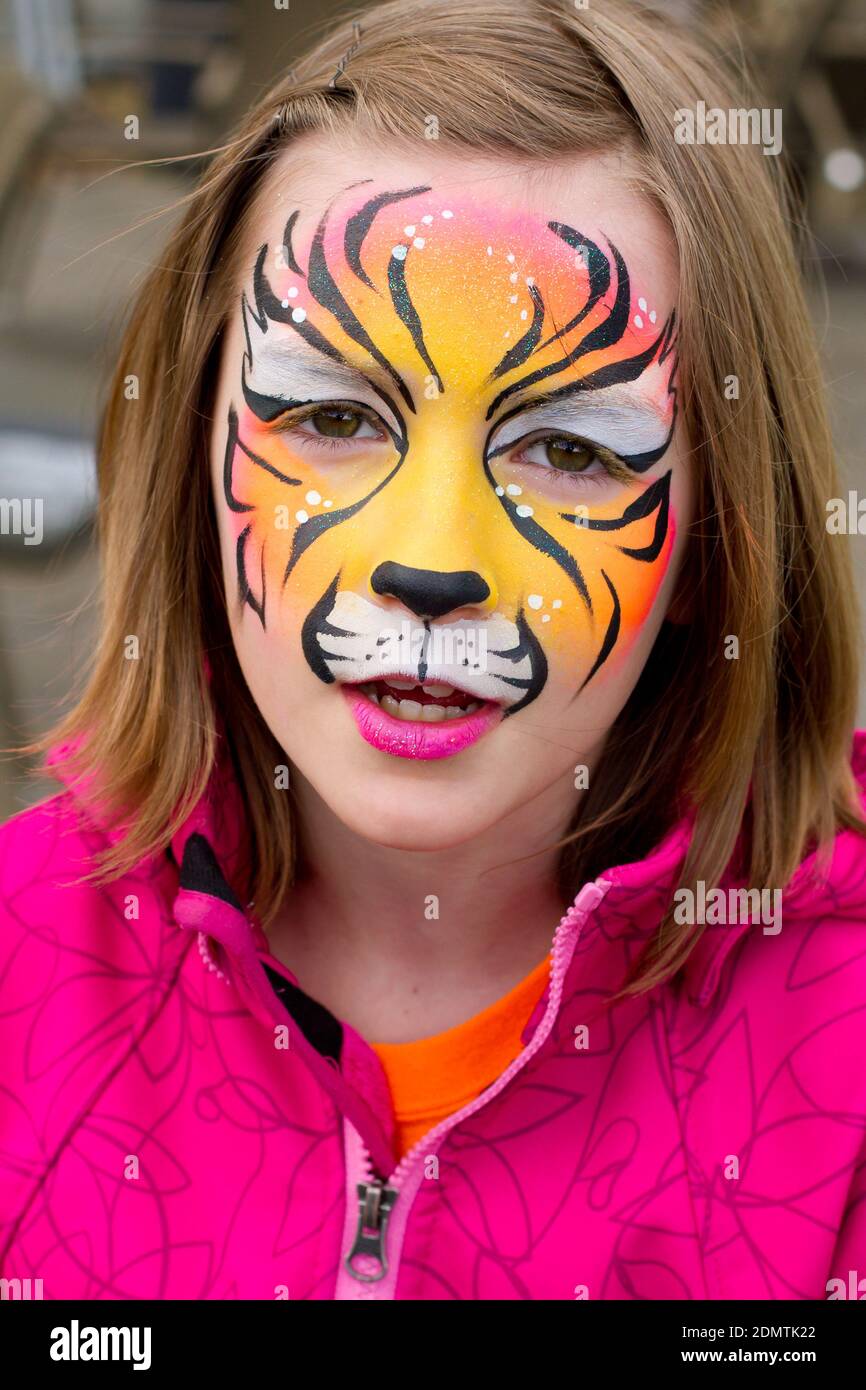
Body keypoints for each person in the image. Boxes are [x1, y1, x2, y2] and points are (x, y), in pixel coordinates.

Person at [2, 0, 865, 1301]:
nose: (430, 557)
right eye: (331, 414)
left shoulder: (839, 1044)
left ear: (717, 540)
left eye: (570, 448)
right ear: (192, 455)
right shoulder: (24, 972)